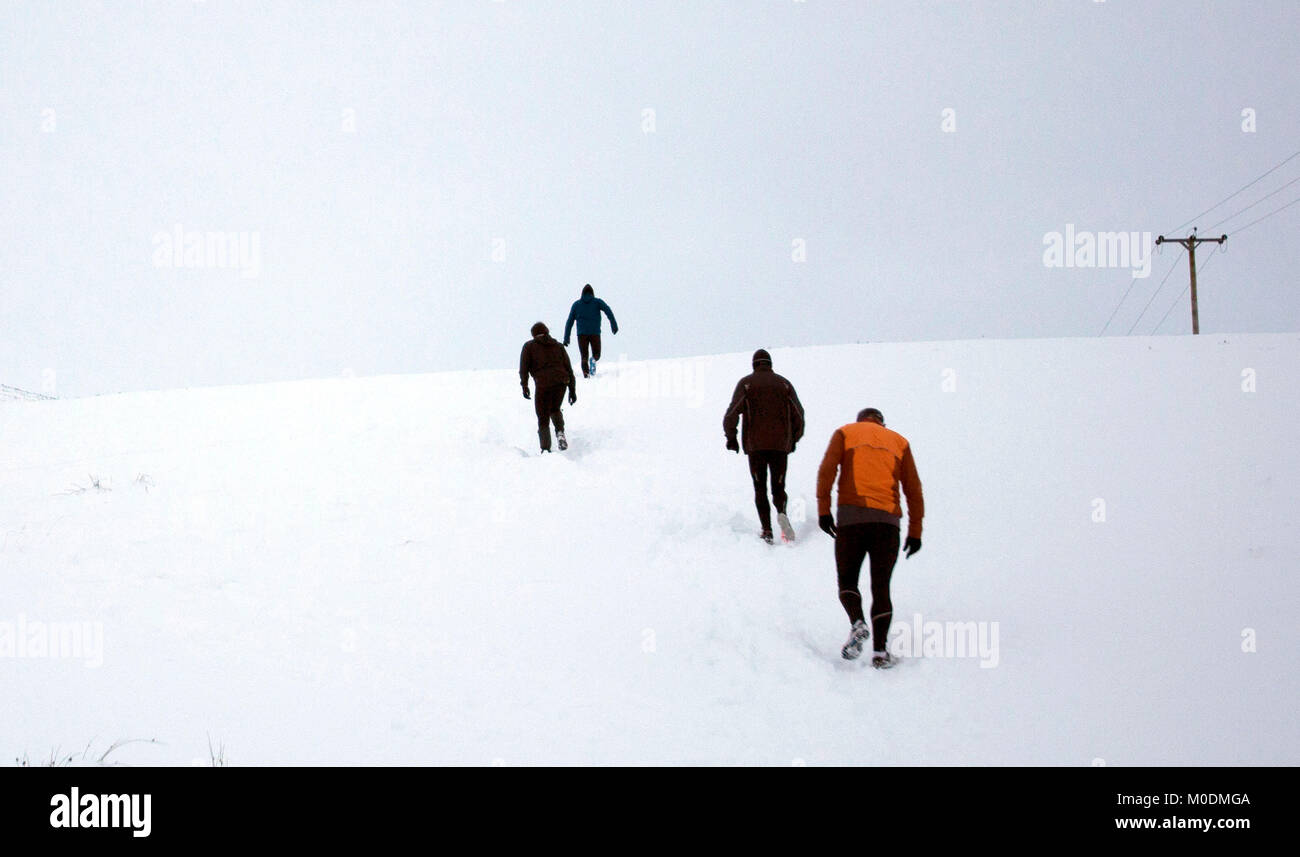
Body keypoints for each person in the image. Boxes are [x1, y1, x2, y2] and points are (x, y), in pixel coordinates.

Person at [815, 408, 924, 668]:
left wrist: (824, 511)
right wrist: (915, 532)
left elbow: (826, 472)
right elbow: (914, 490)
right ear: (882, 423)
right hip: (887, 525)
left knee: (847, 579)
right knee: (881, 587)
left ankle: (857, 622)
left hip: (851, 520)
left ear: (860, 420)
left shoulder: (845, 433)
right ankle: (880, 653)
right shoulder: (899, 442)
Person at [723, 349, 805, 544]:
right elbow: (799, 415)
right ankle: (782, 512)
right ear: (770, 364)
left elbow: (732, 413)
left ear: (754, 364)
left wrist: (731, 437)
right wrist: (793, 439)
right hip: (779, 447)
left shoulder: (746, 384)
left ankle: (767, 529)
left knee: (760, 487)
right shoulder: (784, 384)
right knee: (778, 486)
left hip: (756, 447)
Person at [519, 322, 577, 453]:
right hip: (562, 382)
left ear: (534, 334)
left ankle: (546, 449)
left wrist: (524, 385)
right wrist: (572, 390)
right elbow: (569, 369)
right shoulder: (558, 346)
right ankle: (560, 432)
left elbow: (523, 369)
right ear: (547, 332)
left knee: (543, 415)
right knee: (555, 408)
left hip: (543, 384)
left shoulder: (529, 346)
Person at [562, 284, 618, 378]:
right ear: (592, 293)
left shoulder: (576, 305)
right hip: (595, 333)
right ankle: (594, 359)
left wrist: (566, 338)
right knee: (597, 353)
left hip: (581, 334)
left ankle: (586, 373)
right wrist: (614, 325)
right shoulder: (597, 302)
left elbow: (569, 322)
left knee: (584, 355)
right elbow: (608, 311)